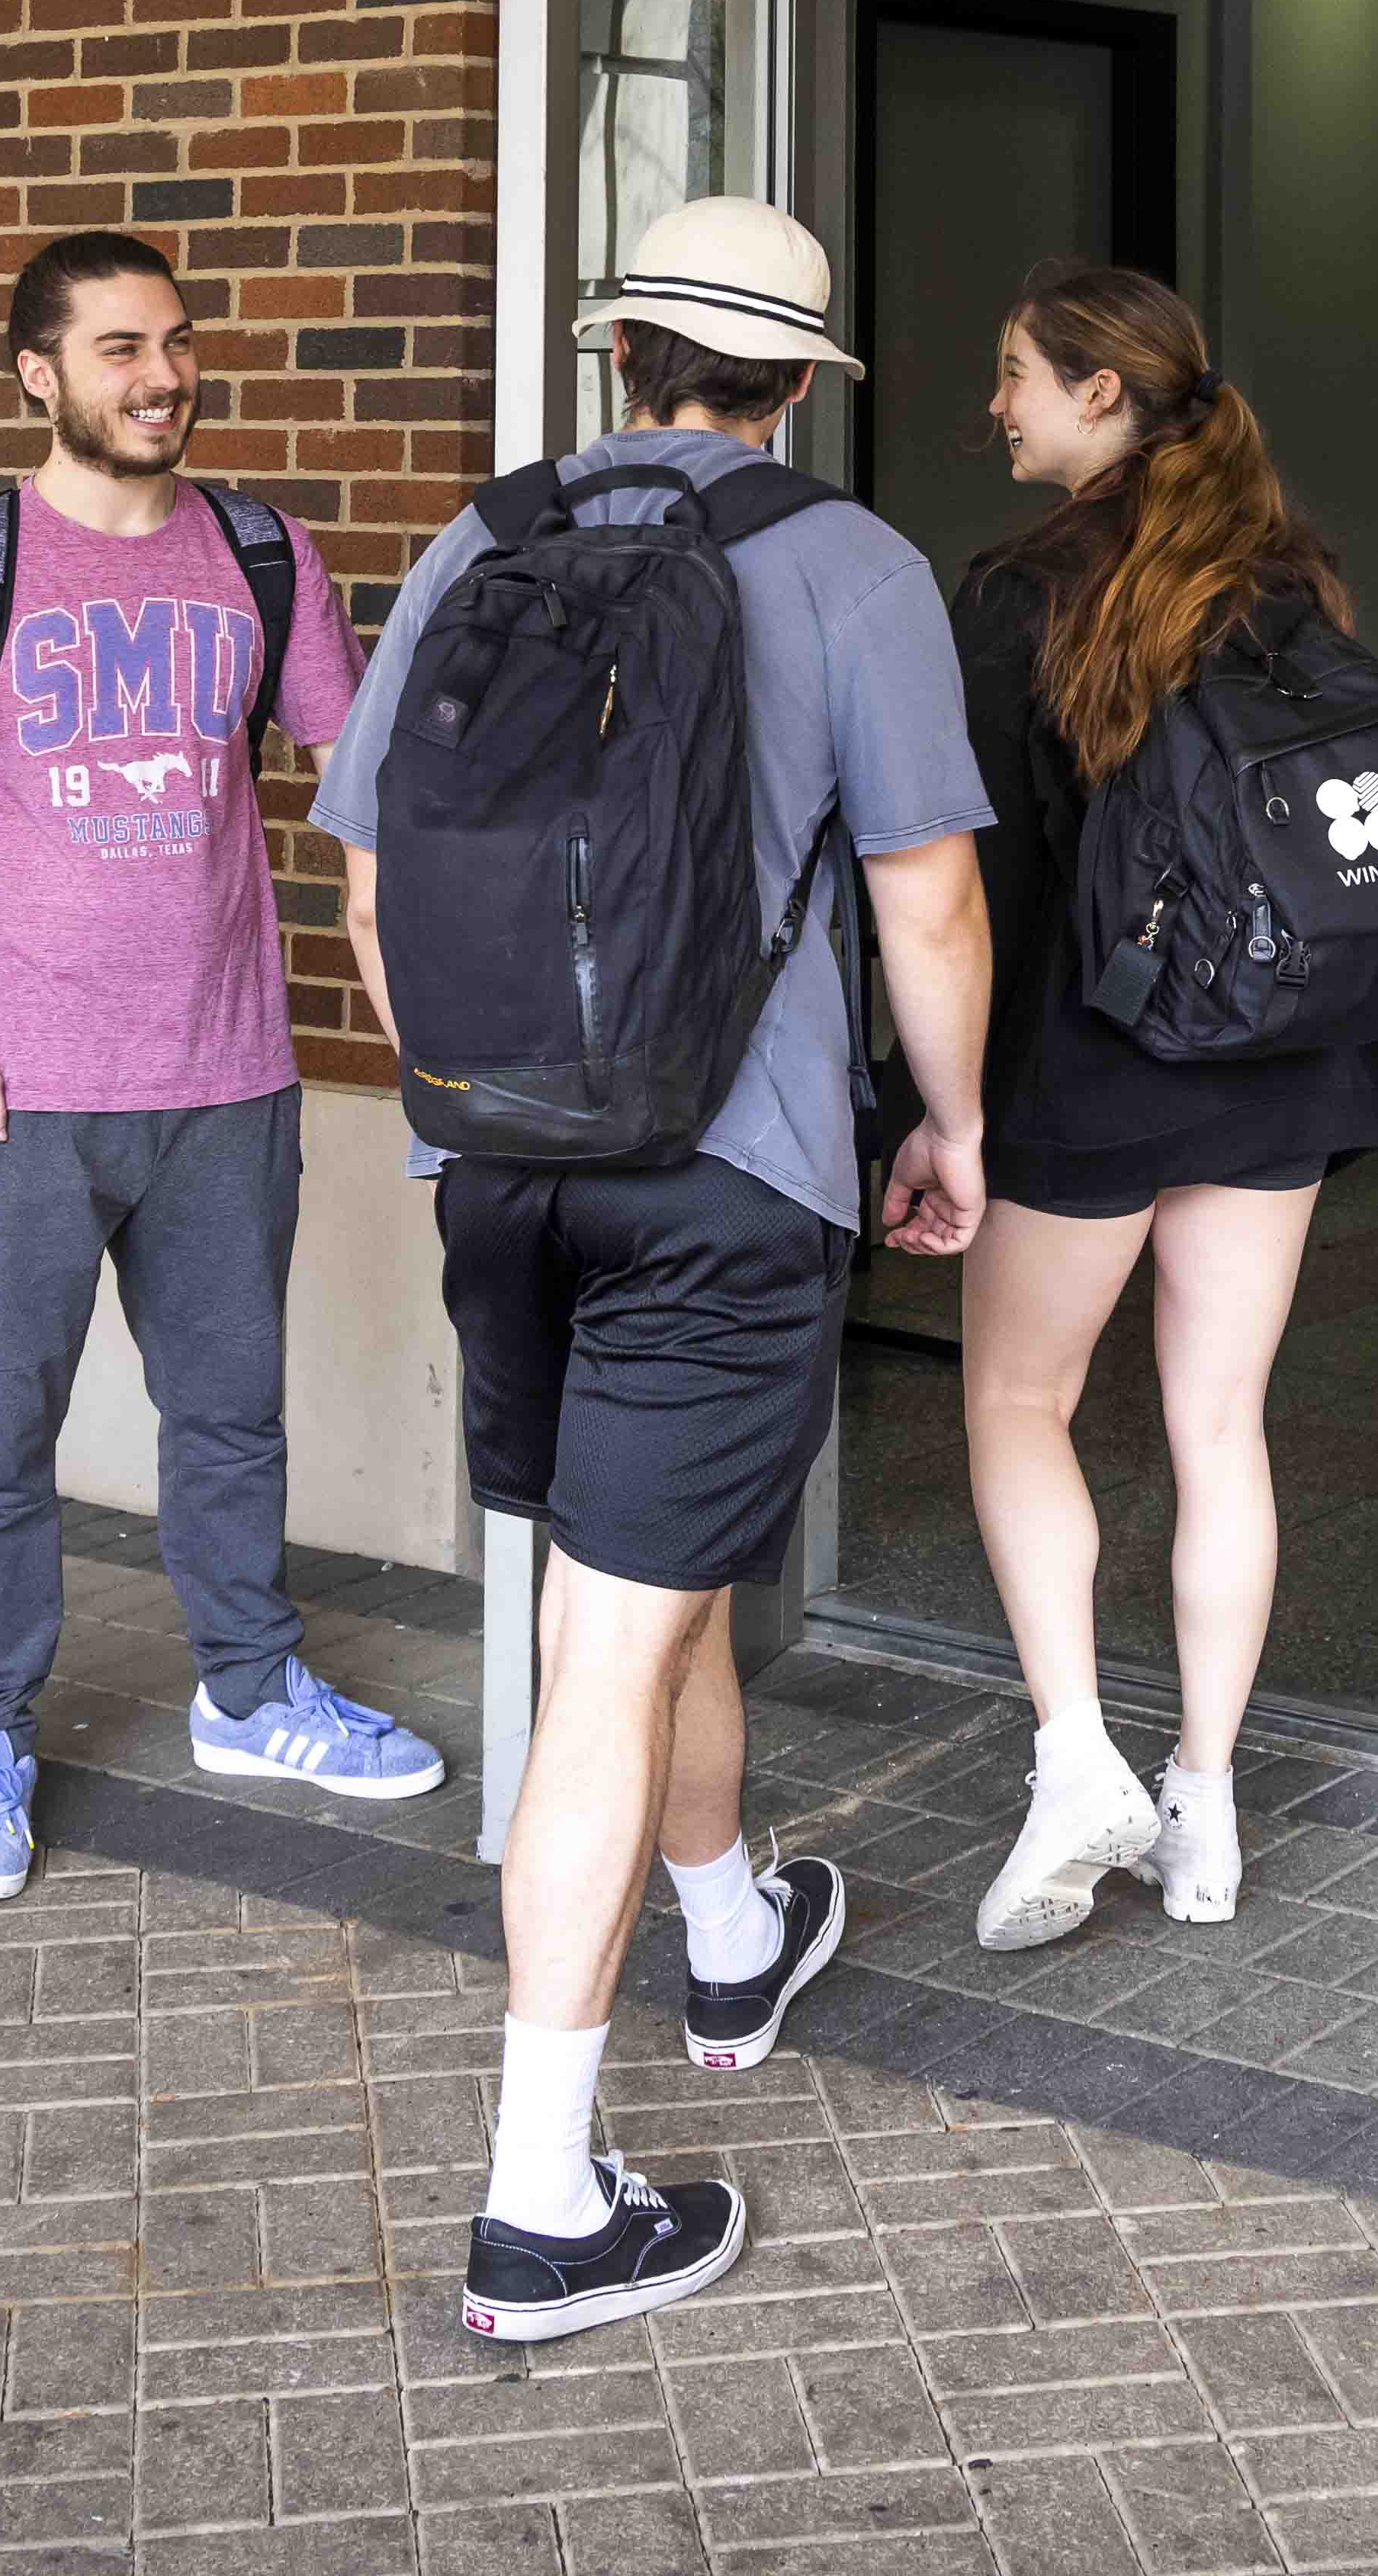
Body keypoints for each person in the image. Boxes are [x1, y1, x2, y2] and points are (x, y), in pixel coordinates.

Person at [320, 193, 995, 2346]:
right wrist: (950, 1127)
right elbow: (932, 906)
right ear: (799, 382)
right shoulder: (851, 567)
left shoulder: (477, 541)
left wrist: (471, 1103)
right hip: (732, 1176)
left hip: (499, 1163)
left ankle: (729, 1925)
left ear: (617, 356)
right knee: (608, 1656)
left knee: (626, 1581)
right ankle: (539, 2204)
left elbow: (367, 878)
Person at [0, 230, 448, 1911]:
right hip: (21, 1086)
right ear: (38, 374)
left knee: (230, 1419)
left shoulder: (261, 556)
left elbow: (360, 797)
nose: (162, 376)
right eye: (119, 350)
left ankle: (250, 1689)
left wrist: (418, 1022)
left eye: (173, 343)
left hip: (228, 1076)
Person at [946, 261, 1378, 1950]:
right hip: (1283, 1055)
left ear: (1101, 395)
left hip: (1096, 1064)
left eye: (1014, 374)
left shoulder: (1016, 594)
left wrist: (943, 1105)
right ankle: (1205, 1808)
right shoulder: (1293, 585)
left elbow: (976, 882)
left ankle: (1077, 1758)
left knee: (1017, 1401)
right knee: (1222, 1428)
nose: (993, 406)